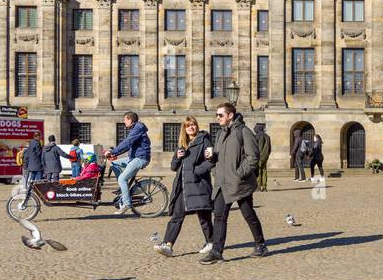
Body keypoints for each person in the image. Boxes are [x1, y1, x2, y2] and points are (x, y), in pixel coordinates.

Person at [202, 102, 266, 263]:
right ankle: (217, 251)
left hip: (239, 183)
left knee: (248, 214)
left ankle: (261, 245)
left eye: (220, 115)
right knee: (219, 217)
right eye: (216, 115)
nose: (217, 118)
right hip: (222, 183)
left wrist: (239, 174)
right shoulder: (220, 133)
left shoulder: (244, 132)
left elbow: (253, 157)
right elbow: (218, 156)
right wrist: (212, 158)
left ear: (230, 115)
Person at [156, 116, 215, 258]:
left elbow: (211, 161)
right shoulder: (183, 143)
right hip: (182, 186)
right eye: (188, 126)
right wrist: (177, 156)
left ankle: (211, 242)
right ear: (184, 128)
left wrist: (197, 171)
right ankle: (168, 245)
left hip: (198, 185)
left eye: (193, 124)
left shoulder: (204, 139)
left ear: (197, 125)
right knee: (177, 216)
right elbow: (173, 167)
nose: (191, 127)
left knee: (204, 217)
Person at [105, 112, 152, 215]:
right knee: (115, 164)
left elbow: (127, 142)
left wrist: (112, 152)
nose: (124, 121)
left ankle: (127, 204)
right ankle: (123, 188)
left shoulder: (138, 128)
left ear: (131, 120)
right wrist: (114, 154)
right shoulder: (135, 129)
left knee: (122, 178)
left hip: (141, 158)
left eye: (125, 119)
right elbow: (127, 146)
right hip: (134, 157)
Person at [253, 121, 271, 192]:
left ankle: (258, 187)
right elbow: (269, 148)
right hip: (265, 156)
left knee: (258, 172)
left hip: (258, 156)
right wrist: (266, 155)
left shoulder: (257, 136)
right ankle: (264, 186)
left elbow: (256, 147)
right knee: (264, 171)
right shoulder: (267, 136)